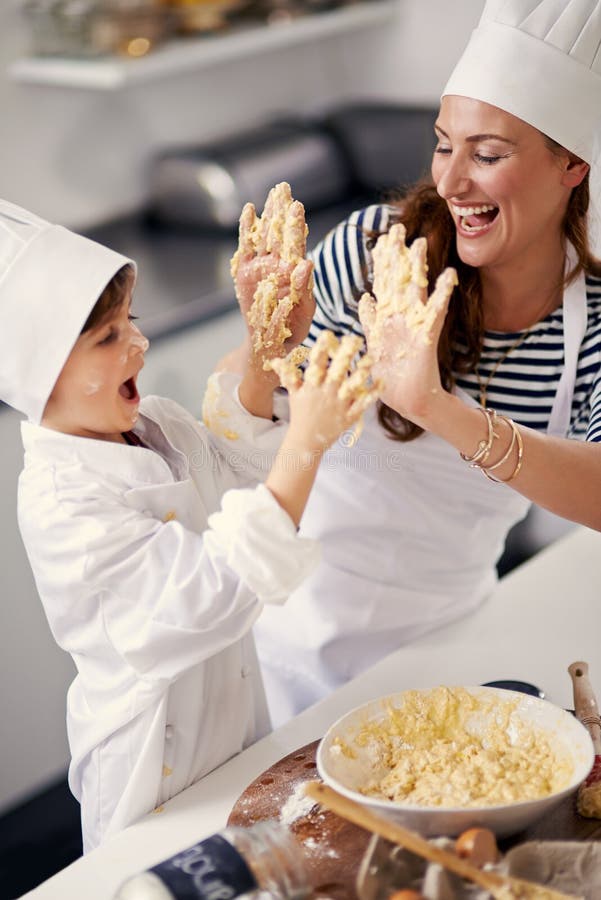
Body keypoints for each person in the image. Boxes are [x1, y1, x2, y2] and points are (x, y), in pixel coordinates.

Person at [219, 0, 601, 727]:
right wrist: (264, 353)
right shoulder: (374, 253)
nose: (451, 182)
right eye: (442, 145)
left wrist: (431, 405)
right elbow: (234, 439)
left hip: (444, 659)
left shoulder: (592, 327)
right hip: (282, 655)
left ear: (570, 166)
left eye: (487, 154)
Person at [0, 195, 376, 852]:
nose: (138, 342)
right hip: (151, 776)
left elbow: (240, 487)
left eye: (131, 319)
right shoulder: (62, 505)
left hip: (234, 731)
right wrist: (308, 442)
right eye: (108, 338)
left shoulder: (155, 424)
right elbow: (212, 591)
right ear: (42, 377)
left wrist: (263, 353)